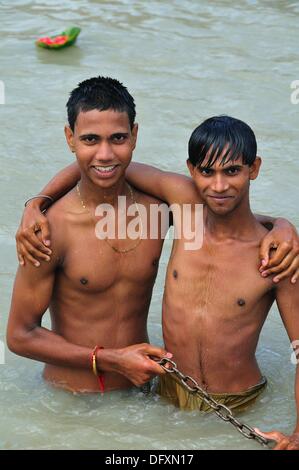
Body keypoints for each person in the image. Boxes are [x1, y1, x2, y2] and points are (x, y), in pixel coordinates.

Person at [17, 112, 299, 450]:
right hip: (166, 396)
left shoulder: (275, 255)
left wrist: (297, 435)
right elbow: (103, 166)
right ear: (192, 171)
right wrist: (37, 203)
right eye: (207, 172)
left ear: (254, 168)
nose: (219, 185)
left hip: (241, 401)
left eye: (233, 171)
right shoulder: (184, 210)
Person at [7, 76, 171, 394]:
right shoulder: (48, 229)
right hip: (71, 403)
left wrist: (279, 226)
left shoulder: (159, 210)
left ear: (135, 135)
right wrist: (111, 360)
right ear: (71, 139)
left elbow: (225, 218)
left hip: (141, 394)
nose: (105, 153)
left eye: (118, 138)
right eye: (90, 139)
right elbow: (19, 334)